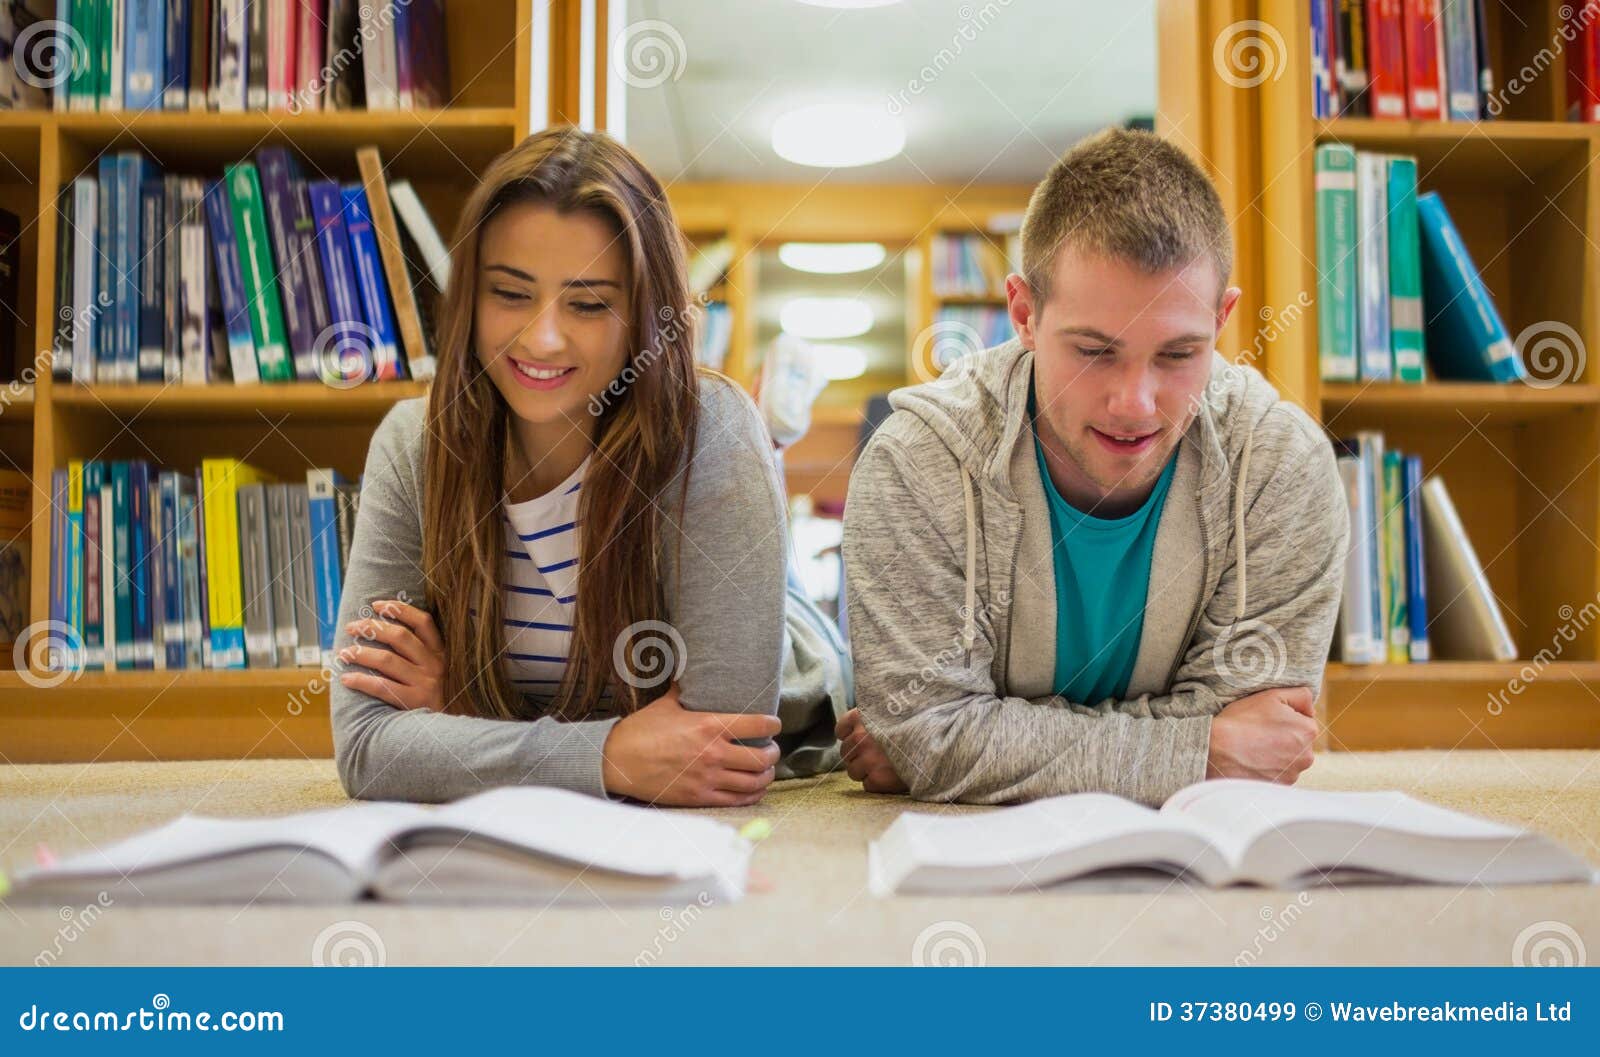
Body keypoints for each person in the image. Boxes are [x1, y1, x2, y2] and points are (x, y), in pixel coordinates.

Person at [329, 126, 850, 807]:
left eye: (589, 303)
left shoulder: (712, 431)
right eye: (510, 293)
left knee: (743, 444)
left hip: (791, 655)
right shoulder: (415, 441)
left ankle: (768, 451)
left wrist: (460, 715)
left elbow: (720, 754)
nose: (542, 337)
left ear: (644, 315)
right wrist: (608, 753)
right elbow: (368, 749)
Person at [836, 127, 1347, 805]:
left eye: (1177, 355)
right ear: (1022, 312)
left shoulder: (1284, 467)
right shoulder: (914, 461)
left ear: (1222, 319)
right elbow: (929, 728)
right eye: (1095, 351)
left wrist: (964, 747)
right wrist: (1198, 747)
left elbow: (1259, 753)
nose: (1134, 404)